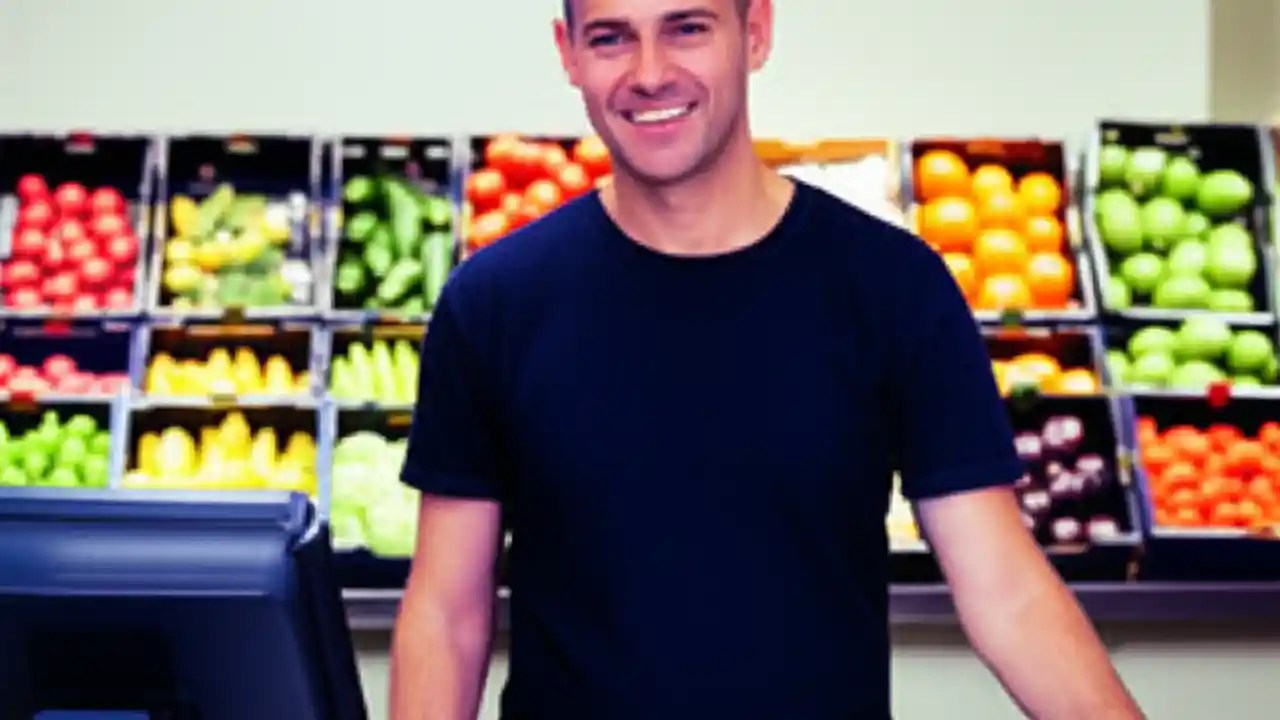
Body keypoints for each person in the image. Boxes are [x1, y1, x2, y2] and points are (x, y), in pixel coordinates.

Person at [388, 0, 1145, 718]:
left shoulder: (890, 286)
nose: (649, 71)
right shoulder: (493, 304)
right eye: (612, 36)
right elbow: (447, 613)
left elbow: (1006, 591)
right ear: (569, 54)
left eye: (687, 28)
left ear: (755, 33)